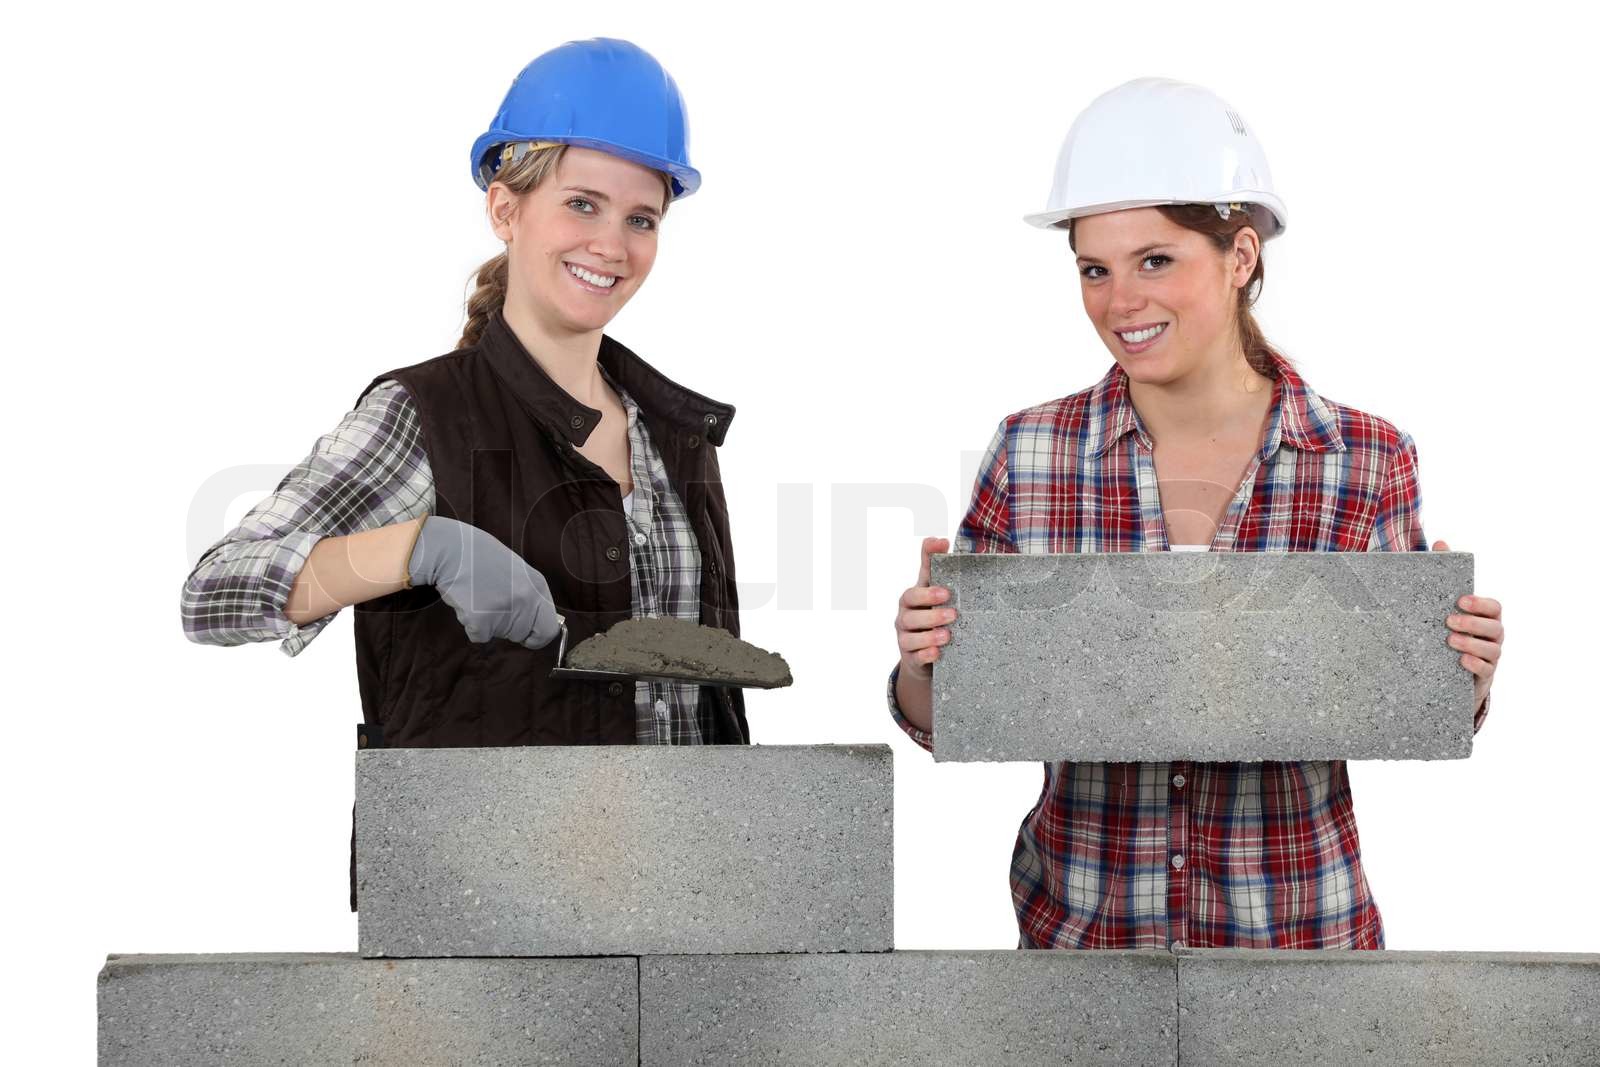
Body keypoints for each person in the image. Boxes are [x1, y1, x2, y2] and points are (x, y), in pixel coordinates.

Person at [888, 77, 1505, 950]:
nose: (1120, 302)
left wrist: (1462, 674)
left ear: (1241, 255)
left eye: (1155, 260)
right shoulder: (1031, 456)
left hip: (1296, 946)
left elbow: (1404, 703)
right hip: (1085, 953)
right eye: (1095, 269)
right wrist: (925, 661)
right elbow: (951, 712)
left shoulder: (1363, 459)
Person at [181, 39, 748, 908]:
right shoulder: (425, 416)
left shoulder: (678, 441)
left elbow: (702, 714)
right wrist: (419, 548)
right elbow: (212, 592)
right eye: (582, 203)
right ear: (504, 207)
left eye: (642, 219)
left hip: (683, 910)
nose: (612, 244)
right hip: (480, 915)